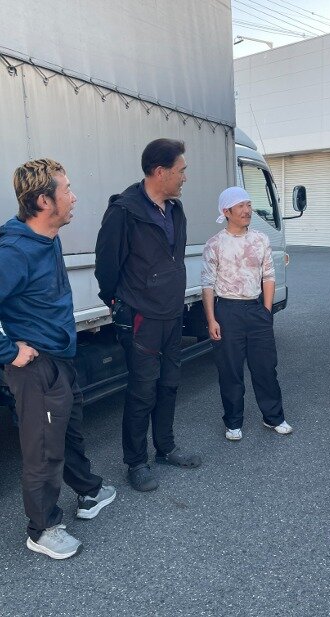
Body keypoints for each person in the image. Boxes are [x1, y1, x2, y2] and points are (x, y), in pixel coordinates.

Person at [0, 159, 116, 560]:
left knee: (68, 432)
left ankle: (88, 491)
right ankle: (42, 528)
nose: (74, 197)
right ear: (43, 201)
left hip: (61, 360)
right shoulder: (14, 251)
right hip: (36, 366)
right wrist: (9, 351)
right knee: (43, 449)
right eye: (66, 190)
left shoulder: (46, 238)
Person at [94, 138, 201, 492]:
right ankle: (136, 462)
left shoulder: (175, 210)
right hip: (141, 317)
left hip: (171, 312)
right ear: (160, 172)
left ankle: (165, 448)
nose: (185, 177)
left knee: (169, 383)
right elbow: (106, 266)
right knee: (143, 390)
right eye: (181, 170)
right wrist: (117, 303)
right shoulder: (124, 211)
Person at [201, 186, 293, 441]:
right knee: (230, 370)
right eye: (241, 206)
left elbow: (269, 276)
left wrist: (266, 311)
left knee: (265, 367)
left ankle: (273, 417)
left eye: (249, 205)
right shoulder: (215, 244)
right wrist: (211, 319)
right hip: (227, 310)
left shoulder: (260, 239)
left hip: (256, 309)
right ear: (226, 211)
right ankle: (233, 422)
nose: (247, 210)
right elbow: (207, 285)